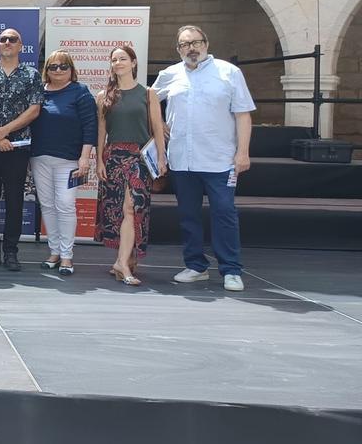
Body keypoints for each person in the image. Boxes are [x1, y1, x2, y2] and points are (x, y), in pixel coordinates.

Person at [153, 25, 255, 292]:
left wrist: (243, 152)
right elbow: (149, 100)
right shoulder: (170, 74)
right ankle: (196, 266)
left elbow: (243, 114)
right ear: (178, 49)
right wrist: (159, 122)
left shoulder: (229, 72)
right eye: (185, 44)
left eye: (196, 42)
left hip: (219, 159)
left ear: (206, 44)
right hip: (182, 159)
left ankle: (231, 270)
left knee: (224, 213)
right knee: (188, 215)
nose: (191, 48)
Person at [0, 28, 42, 271]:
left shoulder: (32, 75)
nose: (8, 42)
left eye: (13, 39)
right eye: (3, 39)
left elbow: (34, 110)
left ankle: (11, 251)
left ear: (21, 46)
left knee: (14, 200)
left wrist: (5, 132)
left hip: (18, 146)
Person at [96, 45, 166, 286]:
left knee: (131, 208)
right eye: (114, 60)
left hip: (139, 159)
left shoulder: (148, 94)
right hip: (113, 157)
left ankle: (123, 263)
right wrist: (99, 160)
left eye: (123, 59)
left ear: (134, 63)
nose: (118, 63)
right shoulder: (103, 95)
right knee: (116, 210)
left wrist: (162, 158)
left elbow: (157, 128)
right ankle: (123, 259)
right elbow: (102, 131)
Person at [30, 50, 96, 276]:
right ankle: (54, 252)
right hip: (40, 158)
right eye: (53, 67)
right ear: (46, 70)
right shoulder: (39, 92)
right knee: (47, 205)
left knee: (66, 205)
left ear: (71, 70)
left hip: (69, 161)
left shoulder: (80, 92)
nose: (58, 70)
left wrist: (85, 157)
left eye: (63, 66)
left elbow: (90, 127)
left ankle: (67, 256)